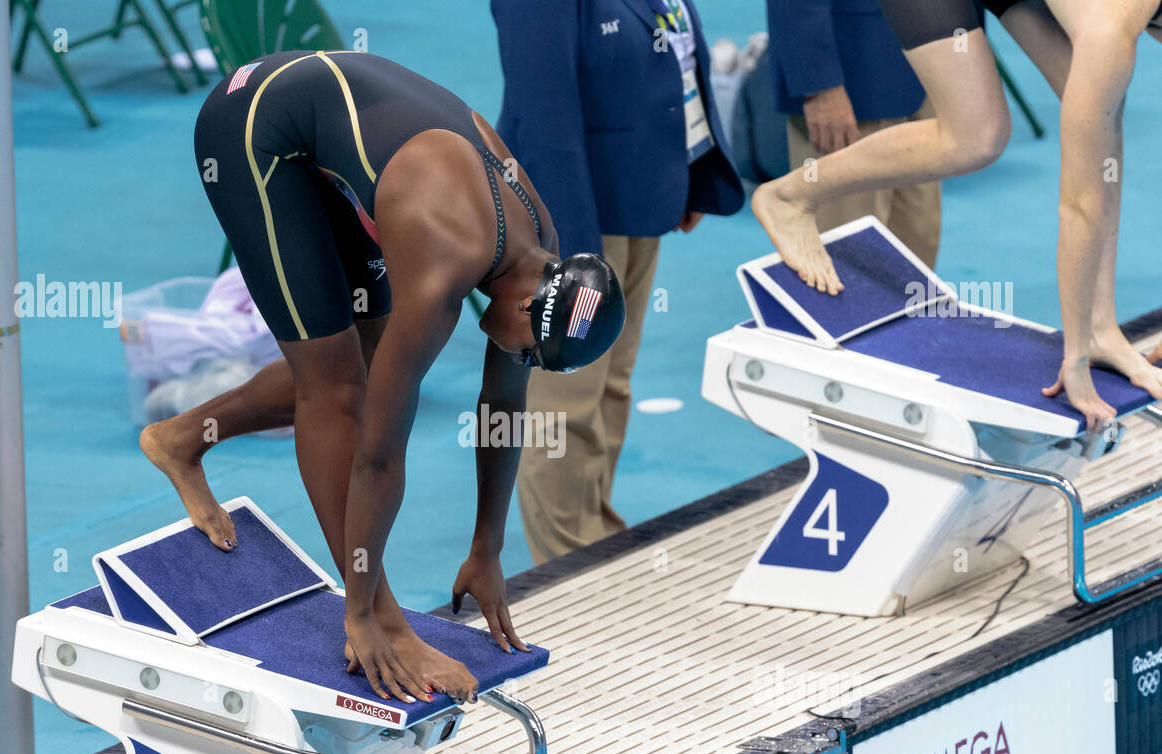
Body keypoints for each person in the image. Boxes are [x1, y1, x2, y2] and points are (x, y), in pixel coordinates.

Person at [143, 50, 625, 704]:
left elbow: (502, 409)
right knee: (339, 390)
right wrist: (367, 614)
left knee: (357, 368)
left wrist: (488, 549)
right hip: (253, 125)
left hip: (334, 131)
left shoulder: (540, 252)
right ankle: (384, 618)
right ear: (525, 308)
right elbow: (376, 457)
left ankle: (180, 439)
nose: (524, 362)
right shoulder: (445, 267)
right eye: (534, 354)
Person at [752, 0, 1162, 432]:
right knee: (977, 136)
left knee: (1102, 119)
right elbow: (1080, 203)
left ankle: (1101, 328)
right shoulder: (1108, 31)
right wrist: (1075, 359)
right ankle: (789, 196)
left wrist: (1096, 333)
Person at [490, 0, 744, 565]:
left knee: (610, 387)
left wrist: (690, 173)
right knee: (566, 402)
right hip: (576, 219)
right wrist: (571, 253)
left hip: (635, 199)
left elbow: (674, 49)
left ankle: (592, 530)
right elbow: (543, 111)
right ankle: (566, 562)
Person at [767, 0, 940, 268]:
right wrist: (820, 85)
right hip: (853, 73)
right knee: (847, 260)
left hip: (932, 61)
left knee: (916, 247)